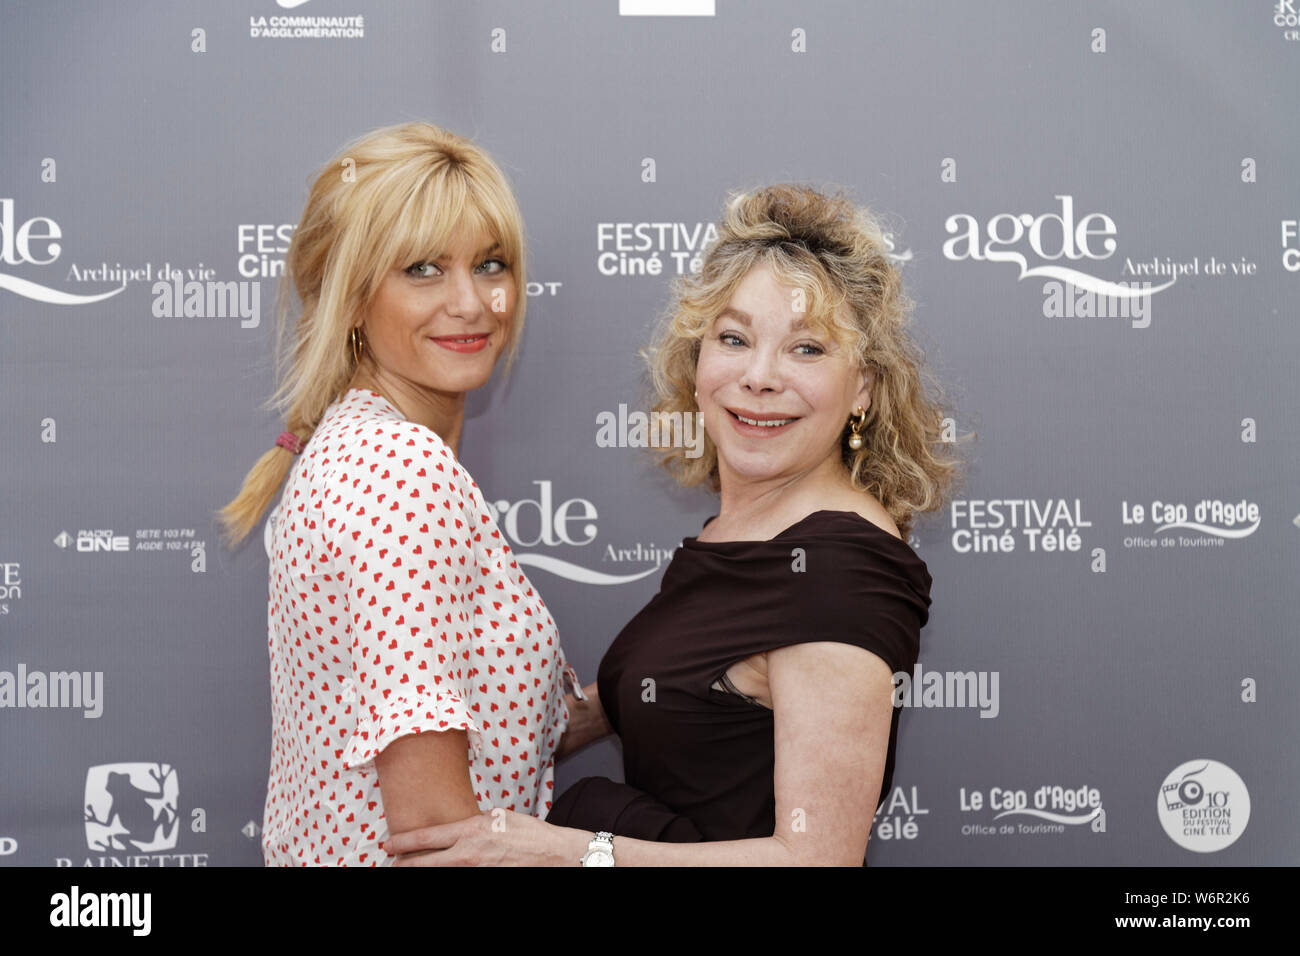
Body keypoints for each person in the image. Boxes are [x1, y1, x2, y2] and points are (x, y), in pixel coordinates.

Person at [385, 183, 965, 866]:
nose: (759, 376)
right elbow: (687, 692)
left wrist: (569, 851)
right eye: (734, 338)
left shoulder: (837, 570)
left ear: (863, 387)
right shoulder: (745, 532)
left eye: (806, 349)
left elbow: (814, 861)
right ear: (696, 362)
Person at [218, 121, 585, 866]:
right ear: (350, 299)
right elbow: (434, 839)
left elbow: (467, 737)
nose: (472, 302)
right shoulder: (398, 473)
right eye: (423, 269)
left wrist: (673, 683)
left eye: (490, 264)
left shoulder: (355, 447)